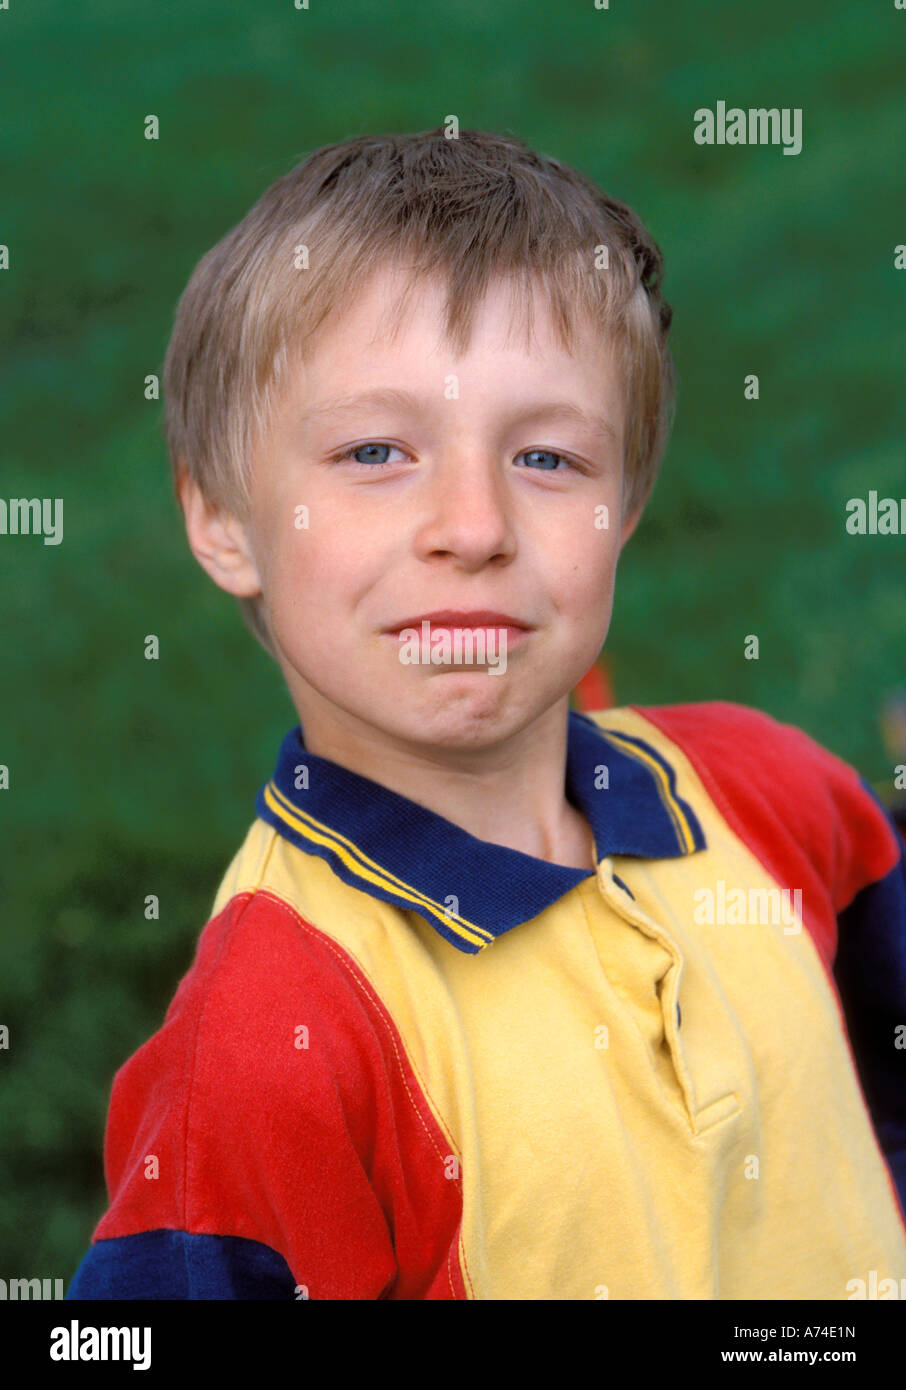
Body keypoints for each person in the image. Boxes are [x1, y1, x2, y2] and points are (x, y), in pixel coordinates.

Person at [67, 127, 906, 1299]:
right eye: (375, 450)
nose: (474, 525)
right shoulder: (272, 1045)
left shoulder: (775, 795)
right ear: (221, 520)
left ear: (626, 503)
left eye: (550, 458)